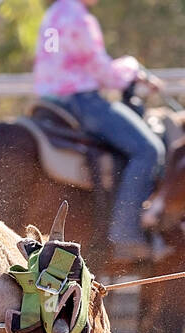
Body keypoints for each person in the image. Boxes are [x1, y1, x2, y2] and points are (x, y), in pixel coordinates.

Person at [33, 0, 165, 259]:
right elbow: (102, 71)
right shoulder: (80, 19)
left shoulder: (56, 12)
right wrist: (132, 71)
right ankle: (125, 233)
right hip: (82, 101)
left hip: (50, 99)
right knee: (149, 149)